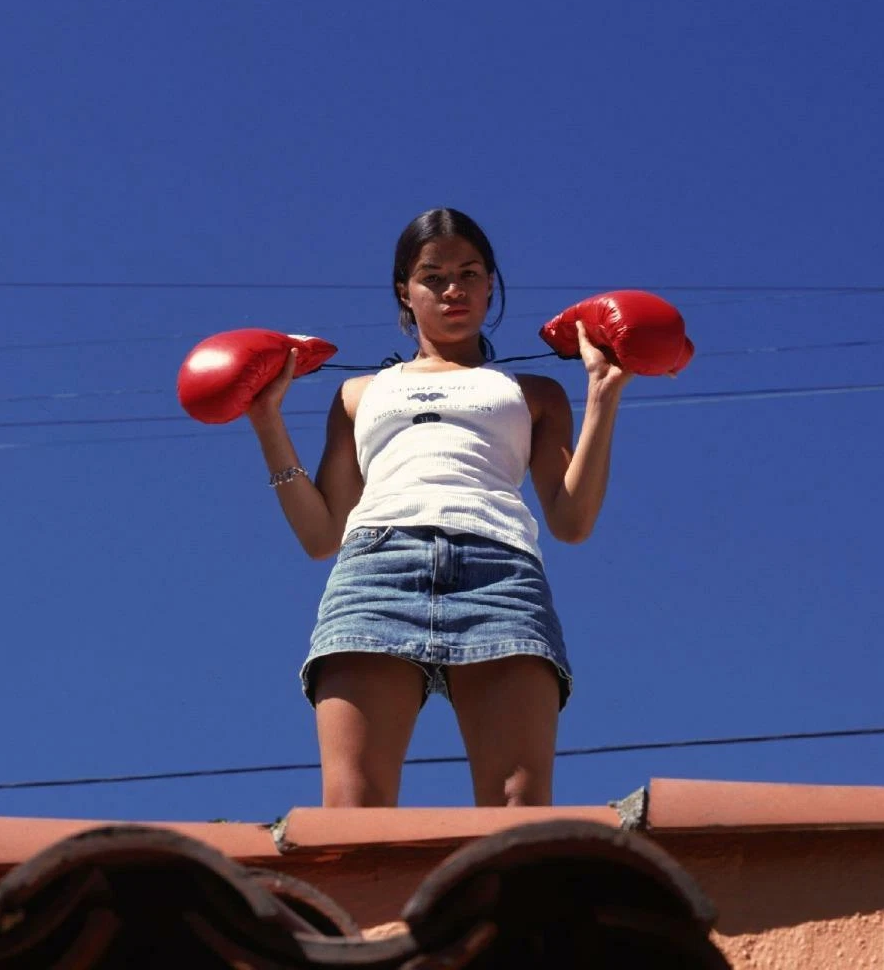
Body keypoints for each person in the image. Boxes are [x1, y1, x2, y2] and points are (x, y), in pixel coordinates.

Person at [247, 208, 633, 808]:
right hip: (375, 573)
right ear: (405, 290)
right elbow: (321, 535)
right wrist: (266, 420)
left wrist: (602, 396)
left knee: (518, 802)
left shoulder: (535, 393)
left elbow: (571, 520)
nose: (454, 289)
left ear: (490, 284)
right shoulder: (357, 395)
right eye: (433, 277)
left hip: (500, 573)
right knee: (353, 807)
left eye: (469, 274)